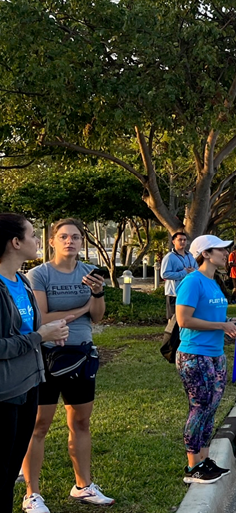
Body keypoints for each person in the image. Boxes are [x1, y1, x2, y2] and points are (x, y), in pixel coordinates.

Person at [23, 219, 114, 509]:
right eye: (63, 236)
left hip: (81, 356)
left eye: (75, 237)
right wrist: (81, 309)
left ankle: (83, 486)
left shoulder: (90, 273)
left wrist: (96, 295)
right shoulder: (39, 274)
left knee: (81, 423)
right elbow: (41, 318)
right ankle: (32, 494)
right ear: (52, 241)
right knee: (38, 426)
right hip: (45, 358)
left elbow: (97, 316)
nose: (69, 241)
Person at [1, 215, 71, 512]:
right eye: (32, 234)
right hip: (5, 393)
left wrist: (47, 334)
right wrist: (38, 336)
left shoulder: (23, 282)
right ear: (15, 242)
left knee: (11, 469)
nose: (37, 240)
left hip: (30, 384)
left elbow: (31, 329)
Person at [175, 234, 236, 484]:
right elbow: (184, 320)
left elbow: (215, 320)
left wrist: (230, 325)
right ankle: (193, 466)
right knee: (199, 407)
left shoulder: (214, 282)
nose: (226, 254)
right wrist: (221, 325)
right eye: (220, 250)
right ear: (205, 254)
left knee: (211, 408)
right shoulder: (192, 282)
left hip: (215, 355)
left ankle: (204, 460)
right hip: (194, 355)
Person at [161, 232, 198, 320]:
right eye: (180, 240)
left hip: (189, 292)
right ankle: (171, 334)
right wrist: (183, 272)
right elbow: (164, 274)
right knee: (174, 319)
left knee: (187, 318)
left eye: (184, 240)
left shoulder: (190, 256)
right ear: (173, 241)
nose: (183, 242)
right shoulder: (169, 257)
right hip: (174, 293)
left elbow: (198, 270)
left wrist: (194, 271)